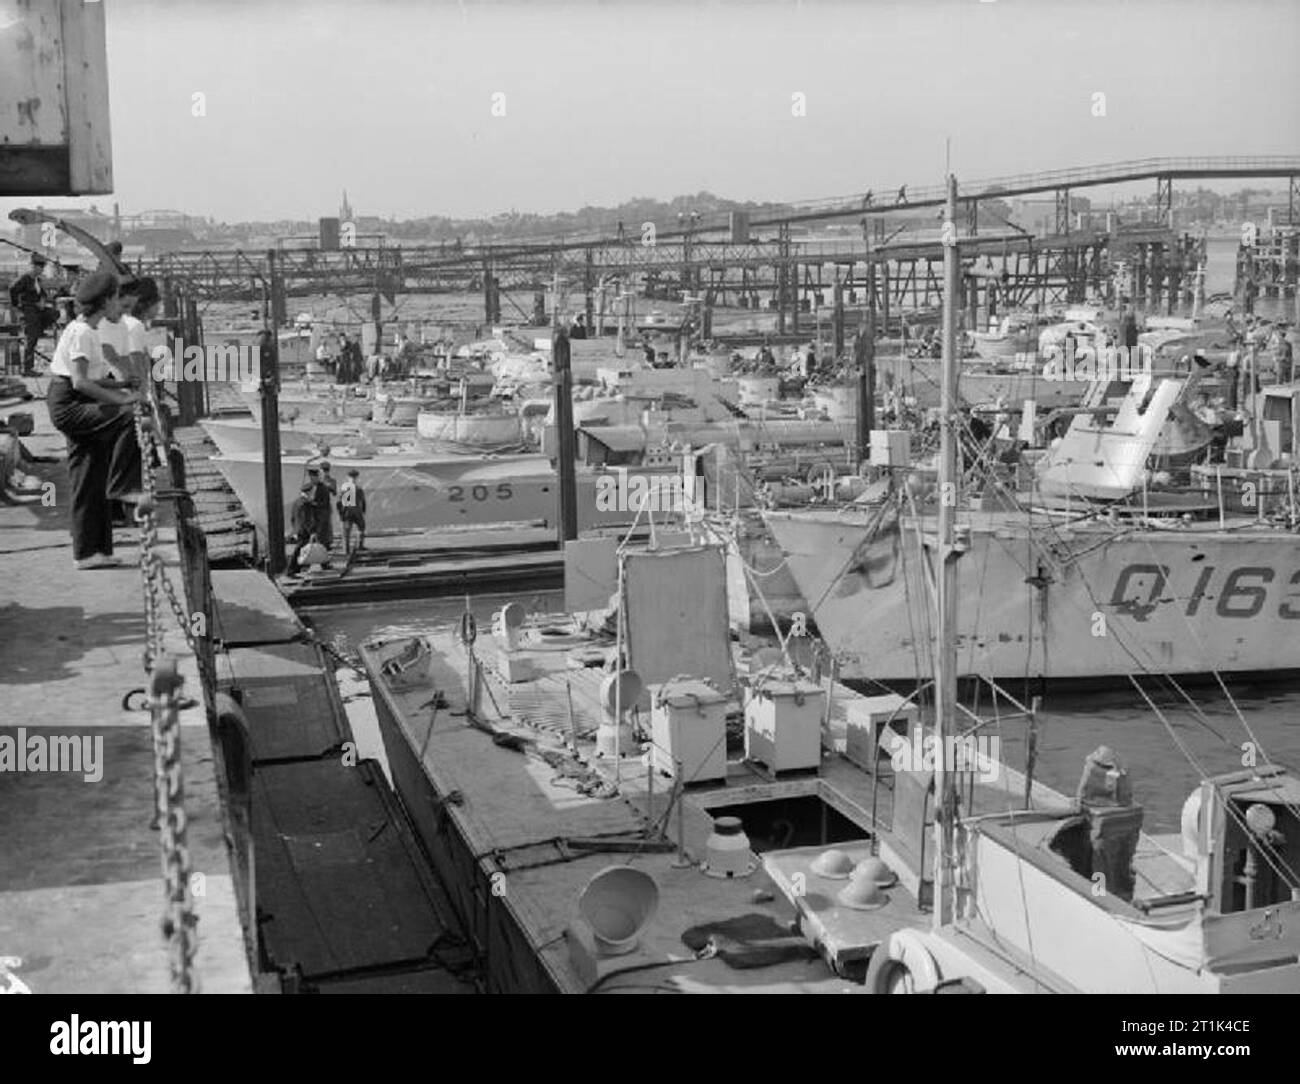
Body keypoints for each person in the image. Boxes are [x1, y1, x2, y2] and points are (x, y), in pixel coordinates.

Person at [44, 269, 143, 569]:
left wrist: (122, 385)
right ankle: (123, 486)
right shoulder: (83, 331)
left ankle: (90, 552)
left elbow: (93, 379)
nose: (121, 307)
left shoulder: (89, 329)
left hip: (78, 400)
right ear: (106, 302)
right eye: (117, 300)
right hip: (70, 405)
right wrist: (123, 400)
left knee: (88, 477)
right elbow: (80, 382)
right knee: (128, 417)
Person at [8, 253, 57, 374]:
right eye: (38, 267)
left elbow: (43, 294)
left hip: (37, 311)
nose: (40, 270)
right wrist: (17, 306)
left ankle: (40, 328)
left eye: (42, 267)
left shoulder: (37, 280)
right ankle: (27, 368)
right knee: (31, 340)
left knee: (54, 313)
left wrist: (42, 301)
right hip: (28, 312)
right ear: (33, 267)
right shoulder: (25, 278)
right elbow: (12, 289)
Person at [287, 481, 320, 575]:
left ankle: (296, 569)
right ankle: (291, 569)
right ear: (309, 492)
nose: (313, 494)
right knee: (300, 550)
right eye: (313, 492)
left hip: (298, 529)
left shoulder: (296, 502)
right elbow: (307, 520)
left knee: (301, 549)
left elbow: (293, 517)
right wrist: (312, 531)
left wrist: (294, 530)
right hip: (304, 530)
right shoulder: (306, 504)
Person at [337, 468, 367, 555]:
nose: (354, 479)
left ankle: (355, 547)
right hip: (351, 512)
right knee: (349, 531)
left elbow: (340, 502)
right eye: (353, 477)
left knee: (357, 529)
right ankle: (351, 549)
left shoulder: (346, 488)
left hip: (352, 512)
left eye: (354, 477)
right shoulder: (353, 488)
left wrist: (341, 513)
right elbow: (342, 502)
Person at [315, 461, 336, 554]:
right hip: (316, 507)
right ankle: (319, 543)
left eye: (327, 470)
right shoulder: (316, 481)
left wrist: (329, 487)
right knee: (318, 526)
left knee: (327, 525)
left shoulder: (331, 480)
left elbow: (334, 493)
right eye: (323, 470)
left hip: (326, 506)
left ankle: (327, 543)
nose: (325, 472)